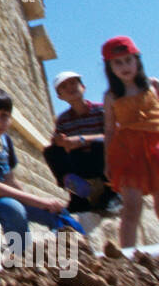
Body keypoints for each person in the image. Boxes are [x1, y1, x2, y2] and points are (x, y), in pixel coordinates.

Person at [0, 87, 82, 252]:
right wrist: (38, 201)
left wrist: (40, 203)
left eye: (4, 116)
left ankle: (75, 254)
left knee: (52, 211)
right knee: (13, 208)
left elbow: (9, 180)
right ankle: (22, 259)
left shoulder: (4, 141)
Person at [101, 35, 159, 247]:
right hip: (128, 155)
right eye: (117, 63)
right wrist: (107, 162)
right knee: (131, 210)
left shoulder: (154, 85)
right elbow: (110, 131)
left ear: (137, 60)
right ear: (110, 67)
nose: (125, 66)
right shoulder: (111, 96)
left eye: (128, 60)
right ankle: (127, 262)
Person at [42, 71, 121, 214]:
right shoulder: (63, 119)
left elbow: (116, 135)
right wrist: (60, 141)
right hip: (81, 163)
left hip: (105, 160)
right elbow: (57, 143)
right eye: (64, 87)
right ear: (60, 96)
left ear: (83, 87)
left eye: (73, 83)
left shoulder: (102, 109)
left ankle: (112, 194)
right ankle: (78, 196)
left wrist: (83, 139)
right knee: (50, 152)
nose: (70, 88)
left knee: (99, 143)